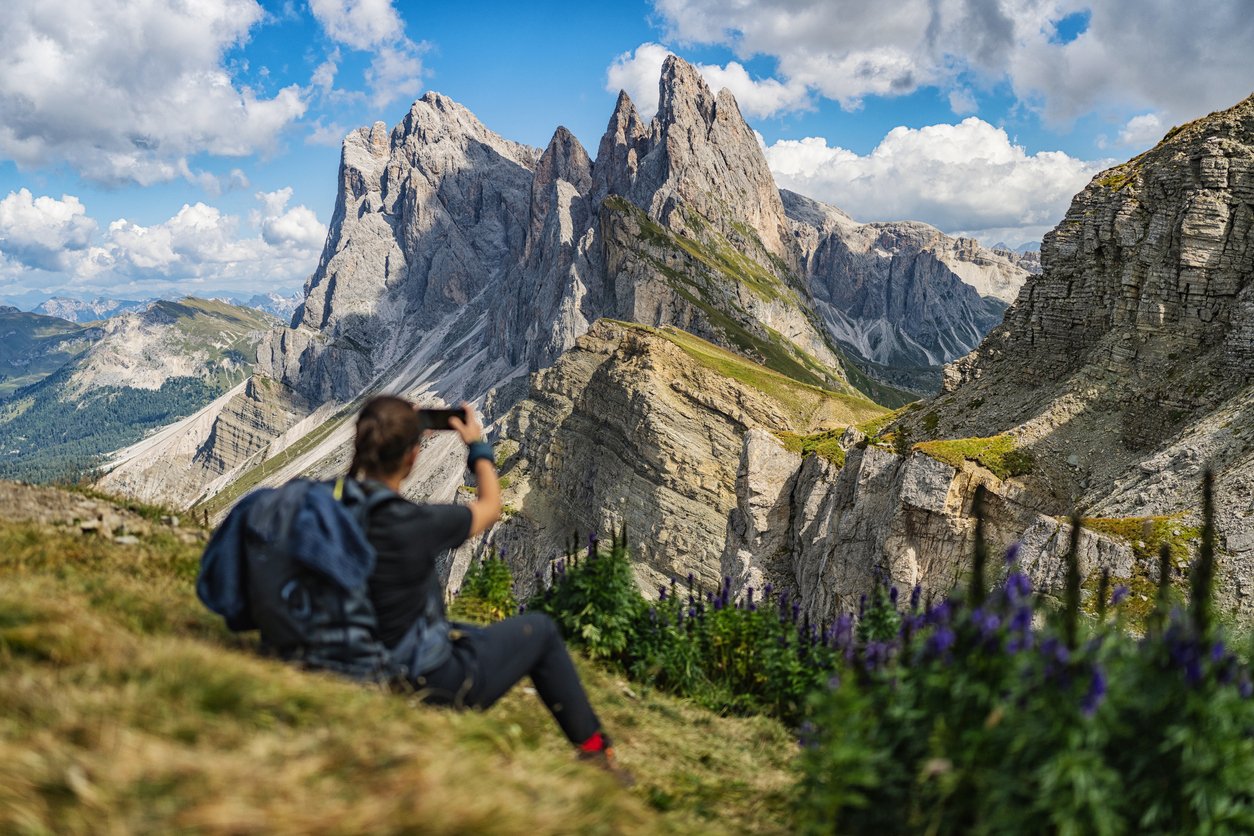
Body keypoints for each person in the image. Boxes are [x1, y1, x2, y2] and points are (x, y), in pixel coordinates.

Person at [347, 395, 627, 778]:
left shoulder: (321, 506)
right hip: (425, 683)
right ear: (412, 456)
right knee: (540, 631)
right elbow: (490, 506)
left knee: (470, 631)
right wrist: (477, 445)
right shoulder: (416, 523)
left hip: (349, 660)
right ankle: (597, 755)